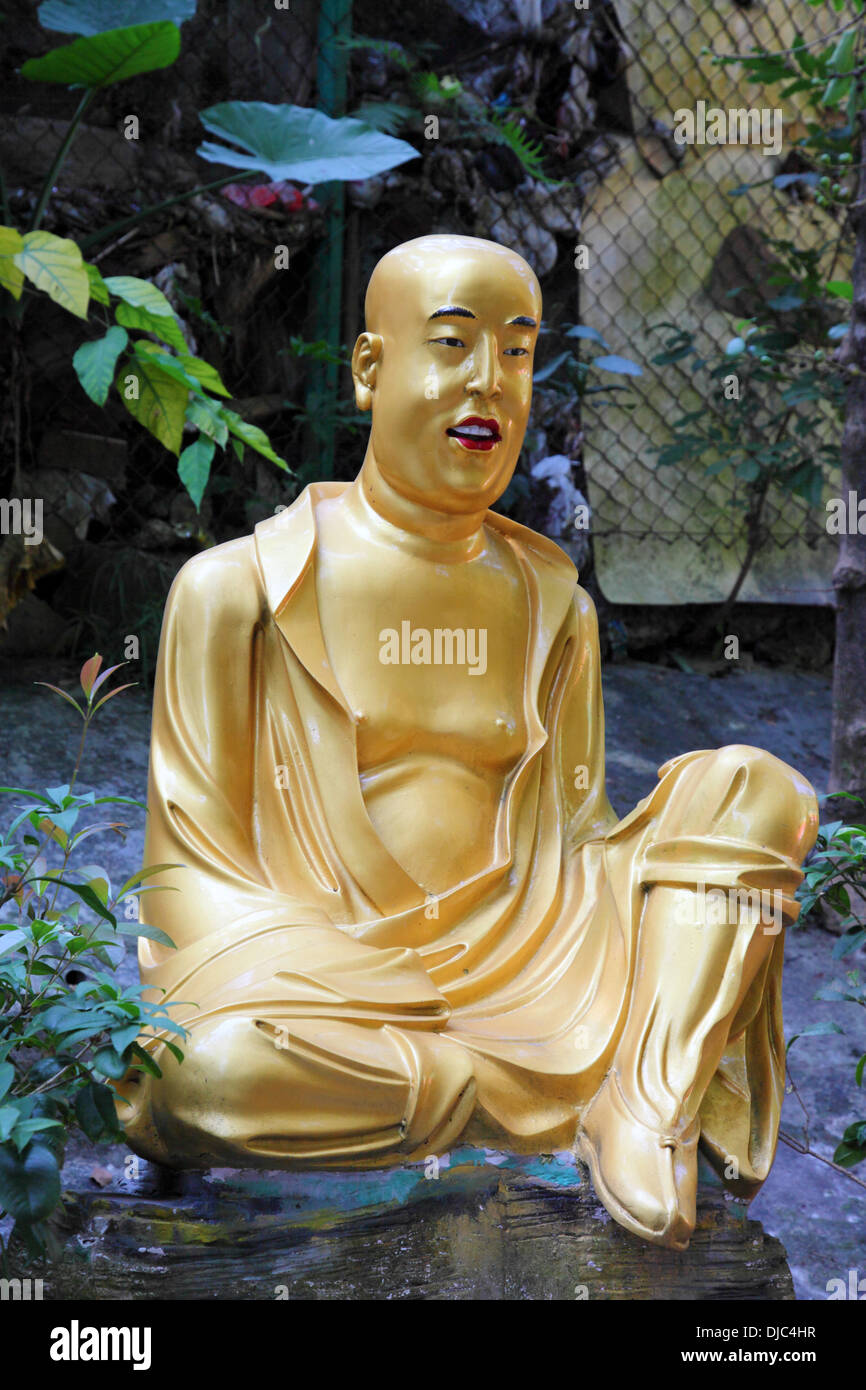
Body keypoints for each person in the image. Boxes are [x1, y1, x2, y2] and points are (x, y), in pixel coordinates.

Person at [117, 234, 818, 1250]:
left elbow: (575, 836)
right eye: (451, 344)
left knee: (760, 790)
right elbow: (188, 880)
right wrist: (364, 980)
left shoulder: (551, 606)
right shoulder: (238, 593)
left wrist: (622, 938)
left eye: (518, 352)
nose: (487, 382)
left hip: (533, 961)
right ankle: (529, 1093)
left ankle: (640, 1101)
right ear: (370, 369)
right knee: (195, 1078)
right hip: (334, 988)